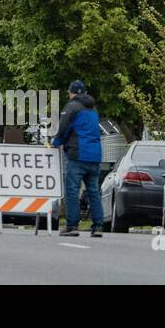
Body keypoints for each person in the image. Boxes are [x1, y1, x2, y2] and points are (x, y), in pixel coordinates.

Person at [52, 79, 103, 237]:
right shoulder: (93, 109)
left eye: (68, 92)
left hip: (78, 155)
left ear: (72, 92)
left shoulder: (72, 107)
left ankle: (72, 225)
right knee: (93, 192)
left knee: (72, 191)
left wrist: (55, 143)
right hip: (95, 156)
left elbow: (63, 129)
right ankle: (98, 227)